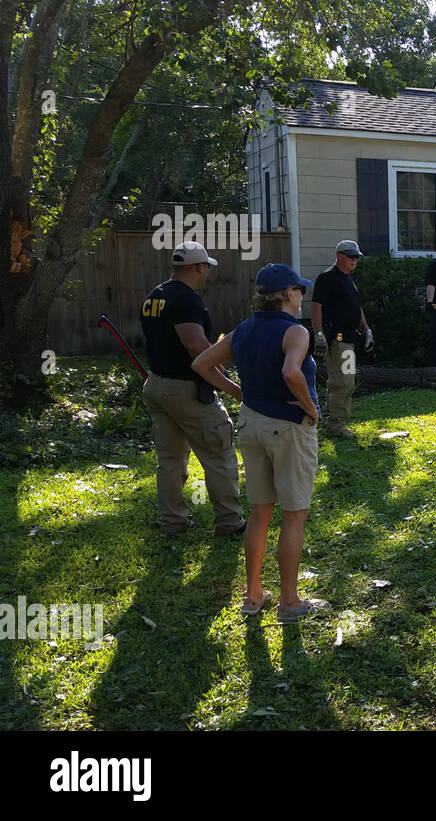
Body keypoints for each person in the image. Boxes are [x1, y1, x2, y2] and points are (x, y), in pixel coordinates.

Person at [192, 263, 328, 622]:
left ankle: (253, 596)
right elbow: (290, 372)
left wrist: (241, 393)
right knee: (294, 515)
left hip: (251, 425)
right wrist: (310, 406)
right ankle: (289, 601)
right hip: (288, 428)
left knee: (259, 511)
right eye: (299, 290)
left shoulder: (244, 330)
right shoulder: (295, 332)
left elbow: (202, 364)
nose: (301, 295)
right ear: (287, 295)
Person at [139, 241, 245, 537]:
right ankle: (229, 522)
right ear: (199, 268)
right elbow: (195, 346)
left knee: (170, 461)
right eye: (206, 268)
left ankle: (172, 523)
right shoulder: (187, 300)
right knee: (219, 452)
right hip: (186, 391)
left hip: (157, 386)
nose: (206, 273)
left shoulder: (153, 297)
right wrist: (230, 386)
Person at [310, 240, 372, 438]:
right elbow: (316, 307)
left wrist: (367, 330)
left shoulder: (349, 279)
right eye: (350, 256)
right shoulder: (327, 278)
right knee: (343, 382)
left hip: (348, 338)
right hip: (336, 338)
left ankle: (332, 419)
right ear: (339, 256)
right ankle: (335, 425)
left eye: (356, 257)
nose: (354, 260)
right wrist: (318, 334)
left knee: (345, 380)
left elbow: (356, 308)